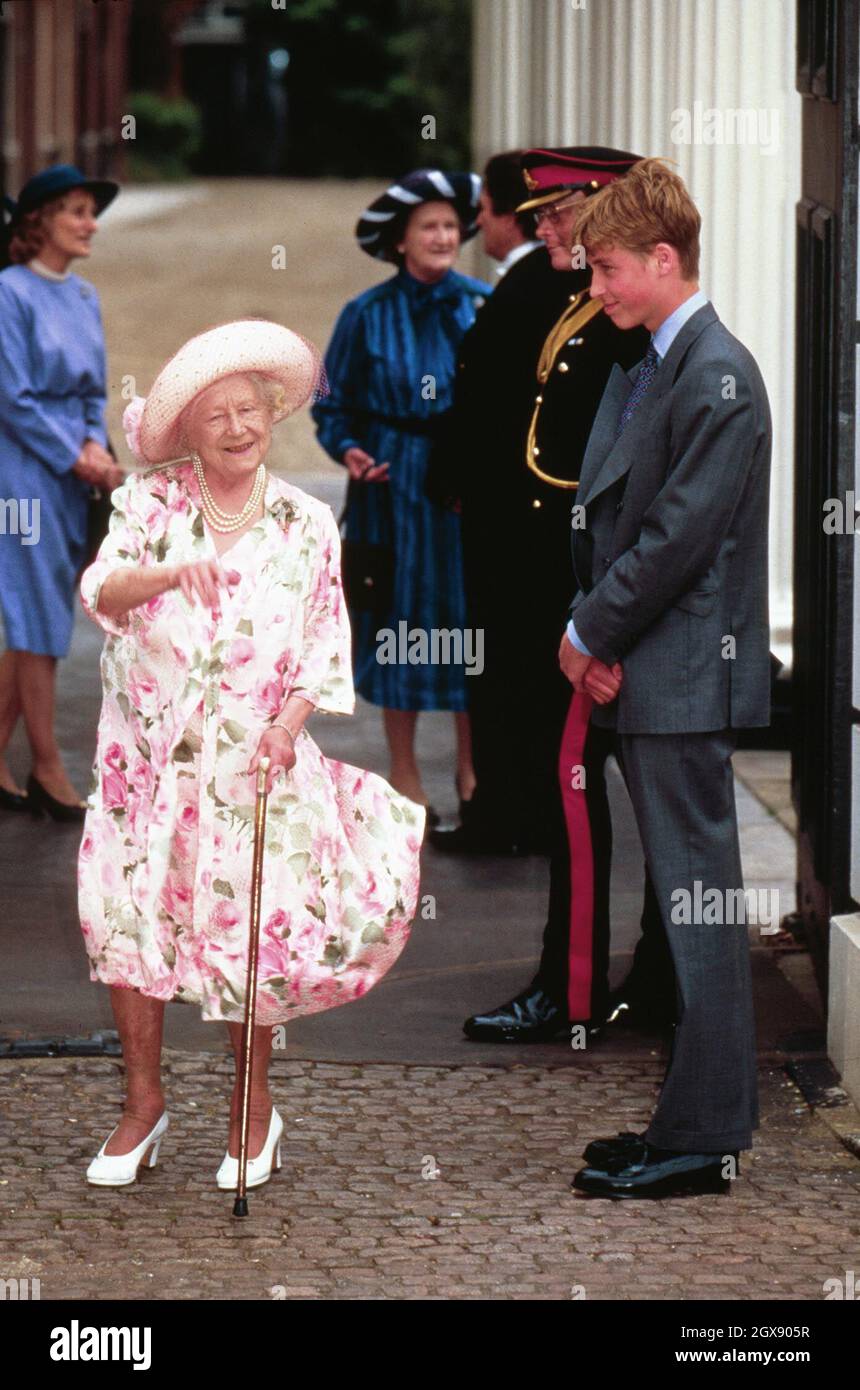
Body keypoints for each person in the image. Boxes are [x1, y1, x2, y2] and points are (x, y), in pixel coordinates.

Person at [78, 320, 425, 1190]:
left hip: (250, 767)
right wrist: (166, 573)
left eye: (249, 409)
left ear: (272, 413)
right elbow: (100, 589)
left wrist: (289, 722)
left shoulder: (306, 521)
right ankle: (143, 1105)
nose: (236, 428)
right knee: (131, 921)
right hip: (145, 763)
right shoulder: (149, 505)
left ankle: (252, 1108)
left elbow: (322, 644)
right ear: (187, 432)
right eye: (215, 416)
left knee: (243, 932)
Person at [561, 160, 771, 1198]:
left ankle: (704, 1135)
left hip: (682, 673)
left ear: (661, 259)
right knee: (685, 904)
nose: (592, 287)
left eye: (602, 268)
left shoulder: (714, 373)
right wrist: (596, 639)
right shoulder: (657, 360)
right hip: (652, 669)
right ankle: (689, 1119)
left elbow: (677, 535)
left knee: (698, 905)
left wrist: (586, 631)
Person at [438, 148, 673, 1041]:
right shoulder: (567, 293)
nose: (542, 233)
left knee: (630, 799)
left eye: (557, 215)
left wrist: (598, 615)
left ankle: (627, 983)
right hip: (567, 587)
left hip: (605, 595)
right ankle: (582, 983)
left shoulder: (639, 321)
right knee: (570, 789)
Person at [312, 169, 490, 819]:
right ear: (401, 241)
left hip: (463, 489)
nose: (444, 236)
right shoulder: (364, 315)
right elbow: (331, 406)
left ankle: (474, 773)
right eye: (429, 227)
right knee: (398, 624)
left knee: (472, 624)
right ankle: (406, 773)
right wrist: (350, 451)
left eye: (451, 225)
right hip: (392, 490)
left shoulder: (482, 304)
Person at [0, 164, 124, 820]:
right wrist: (73, 454)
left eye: (90, 211)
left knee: (41, 609)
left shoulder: (83, 296)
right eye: (75, 211)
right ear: (39, 220)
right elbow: (12, 396)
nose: (89, 223)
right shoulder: (8, 293)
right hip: (21, 471)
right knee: (35, 615)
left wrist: (96, 445)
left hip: (75, 467)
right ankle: (47, 765)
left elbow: (94, 388)